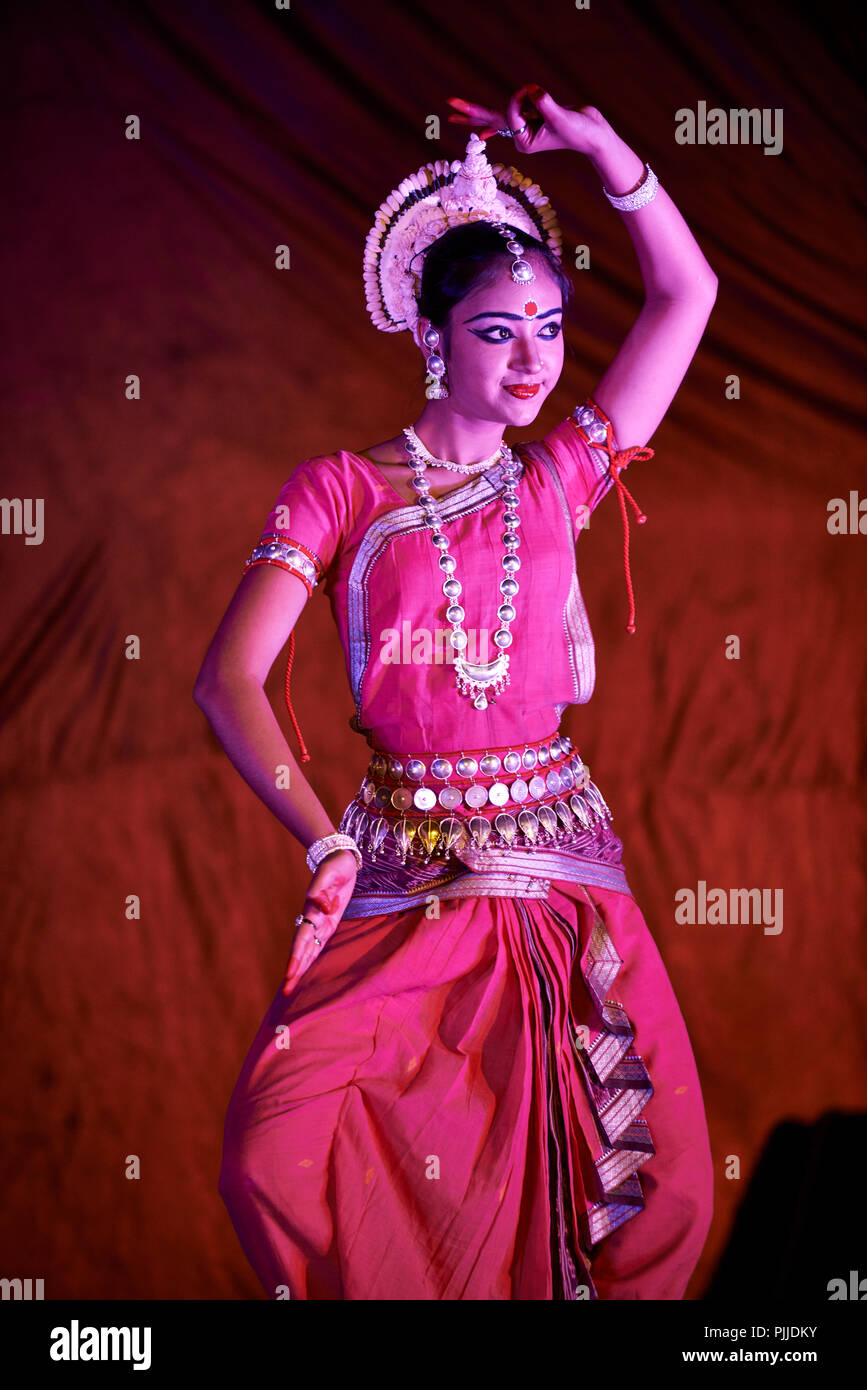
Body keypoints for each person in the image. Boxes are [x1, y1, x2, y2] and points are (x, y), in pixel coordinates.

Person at [194, 85, 718, 1300]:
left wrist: (605, 148)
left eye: (551, 325)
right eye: (497, 331)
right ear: (431, 338)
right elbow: (228, 682)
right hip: (401, 863)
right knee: (277, 1151)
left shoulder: (560, 477)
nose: (535, 356)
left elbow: (686, 297)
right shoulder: (339, 491)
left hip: (555, 876)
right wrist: (324, 842)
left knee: (574, 1189)